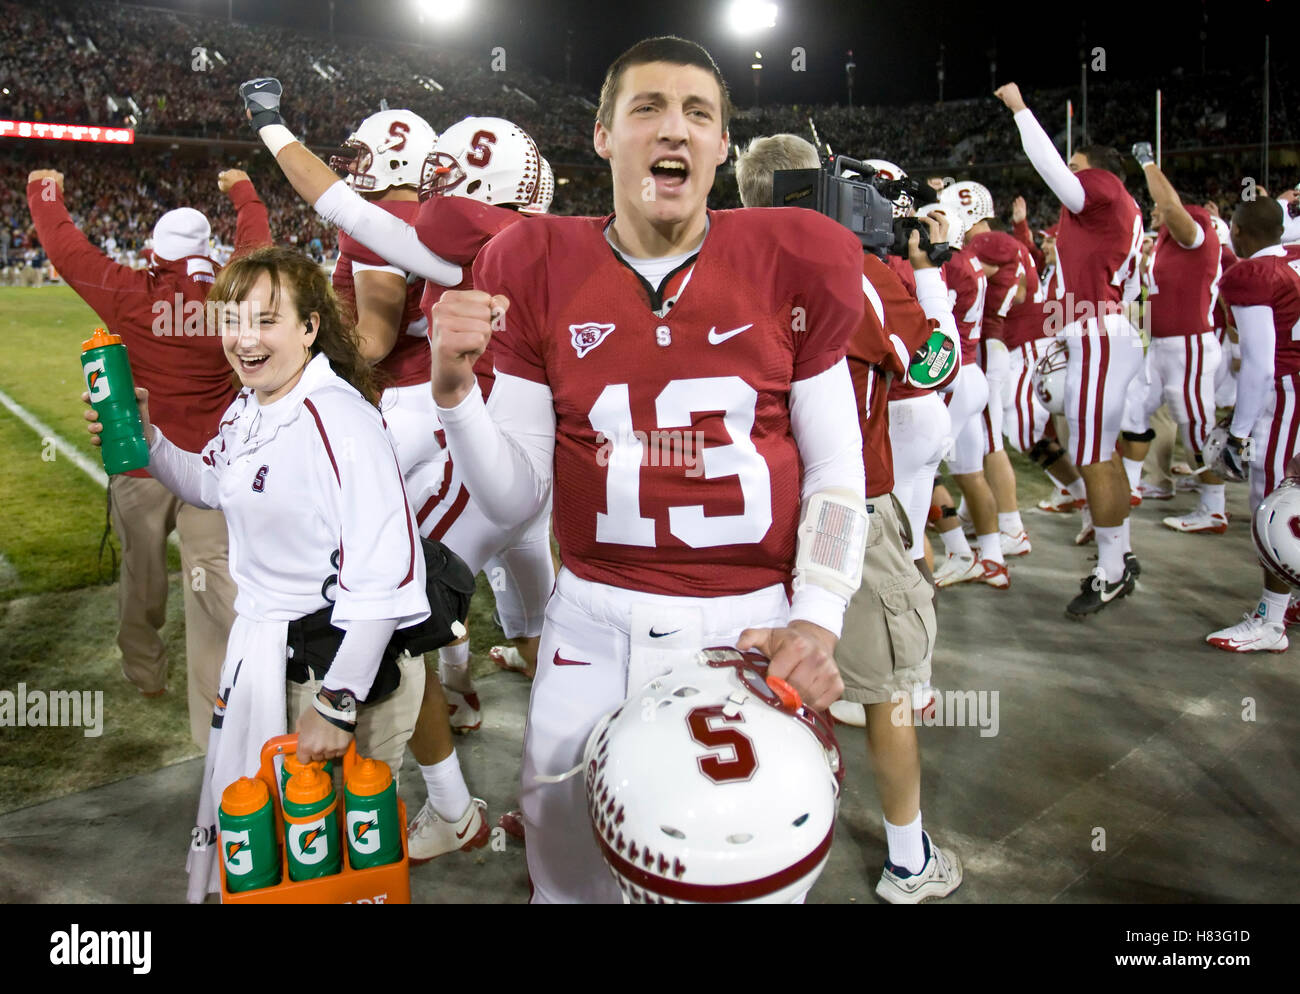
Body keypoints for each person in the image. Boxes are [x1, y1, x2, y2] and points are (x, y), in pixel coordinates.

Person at [430, 36, 869, 903]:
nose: (674, 129)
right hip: (594, 618)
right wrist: (453, 393)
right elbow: (517, 496)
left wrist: (817, 619)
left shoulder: (796, 256)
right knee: (562, 860)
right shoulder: (535, 261)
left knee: (738, 869)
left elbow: (836, 473)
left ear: (720, 150)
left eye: (698, 114)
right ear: (602, 136)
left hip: (750, 626)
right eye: (648, 109)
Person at [240, 87, 556, 858]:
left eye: (452, 179)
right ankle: (571, 812)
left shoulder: (445, 243)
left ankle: (453, 808)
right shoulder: (563, 244)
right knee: (564, 635)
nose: (439, 191)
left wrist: (272, 123)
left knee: (387, 616)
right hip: (549, 462)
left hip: (478, 457)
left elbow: (346, 209)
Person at [85, 247, 433, 900]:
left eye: (267, 320)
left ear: (309, 328)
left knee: (325, 871)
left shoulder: (339, 419)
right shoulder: (253, 406)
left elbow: (384, 577)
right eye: (233, 320)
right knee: (269, 860)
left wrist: (337, 703)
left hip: (332, 669)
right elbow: (215, 484)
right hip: (270, 655)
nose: (245, 339)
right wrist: (147, 437)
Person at [735, 133, 963, 904]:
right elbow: (936, 363)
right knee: (887, 688)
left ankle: (748, 835)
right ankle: (909, 858)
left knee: (753, 679)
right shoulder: (851, 272)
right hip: (841, 515)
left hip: (740, 518)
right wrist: (923, 277)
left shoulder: (715, 263)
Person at [27, 166, 270, 748]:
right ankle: (219, 721)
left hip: (142, 461)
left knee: (141, 572)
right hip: (215, 465)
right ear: (206, 252)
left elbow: (65, 247)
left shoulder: (134, 293)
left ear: (155, 252)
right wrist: (241, 187)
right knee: (213, 589)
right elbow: (256, 236)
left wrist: (44, 190)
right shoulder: (234, 296)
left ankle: (144, 667)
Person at [995, 82, 1145, 618]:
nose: (1071, 174)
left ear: (1098, 172)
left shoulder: (1102, 188)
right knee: (1099, 452)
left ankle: (1111, 569)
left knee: (1095, 456)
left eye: (1078, 166)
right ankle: (1118, 556)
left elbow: (1054, 171)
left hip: (1097, 331)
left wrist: (1020, 110)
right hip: (1097, 328)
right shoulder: (1113, 214)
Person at [1205, 199, 1300, 652]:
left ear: (1238, 233)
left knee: (1276, 508)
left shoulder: (1250, 275)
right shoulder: (1294, 257)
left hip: (1287, 393)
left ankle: (1270, 622)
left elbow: (1260, 366)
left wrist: (1239, 433)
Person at [1117, 145, 1226, 534]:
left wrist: (1147, 162)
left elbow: (1174, 208)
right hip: (1161, 345)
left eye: (1160, 207)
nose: (1154, 210)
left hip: (1189, 345)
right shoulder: (1163, 242)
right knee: (1133, 408)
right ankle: (1128, 488)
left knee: (1197, 425)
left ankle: (1214, 508)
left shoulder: (1196, 232)